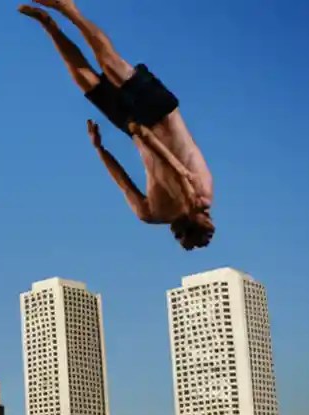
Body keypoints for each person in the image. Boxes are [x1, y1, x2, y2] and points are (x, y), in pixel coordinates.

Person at [19, 0, 215, 250]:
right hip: (161, 114)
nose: (208, 210)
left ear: (189, 222)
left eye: (206, 218)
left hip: (133, 128)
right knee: (110, 65)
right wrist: (144, 135)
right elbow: (172, 165)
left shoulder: (151, 212)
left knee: (85, 80)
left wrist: (100, 149)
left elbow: (122, 181)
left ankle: (49, 26)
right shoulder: (202, 193)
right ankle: (68, 8)